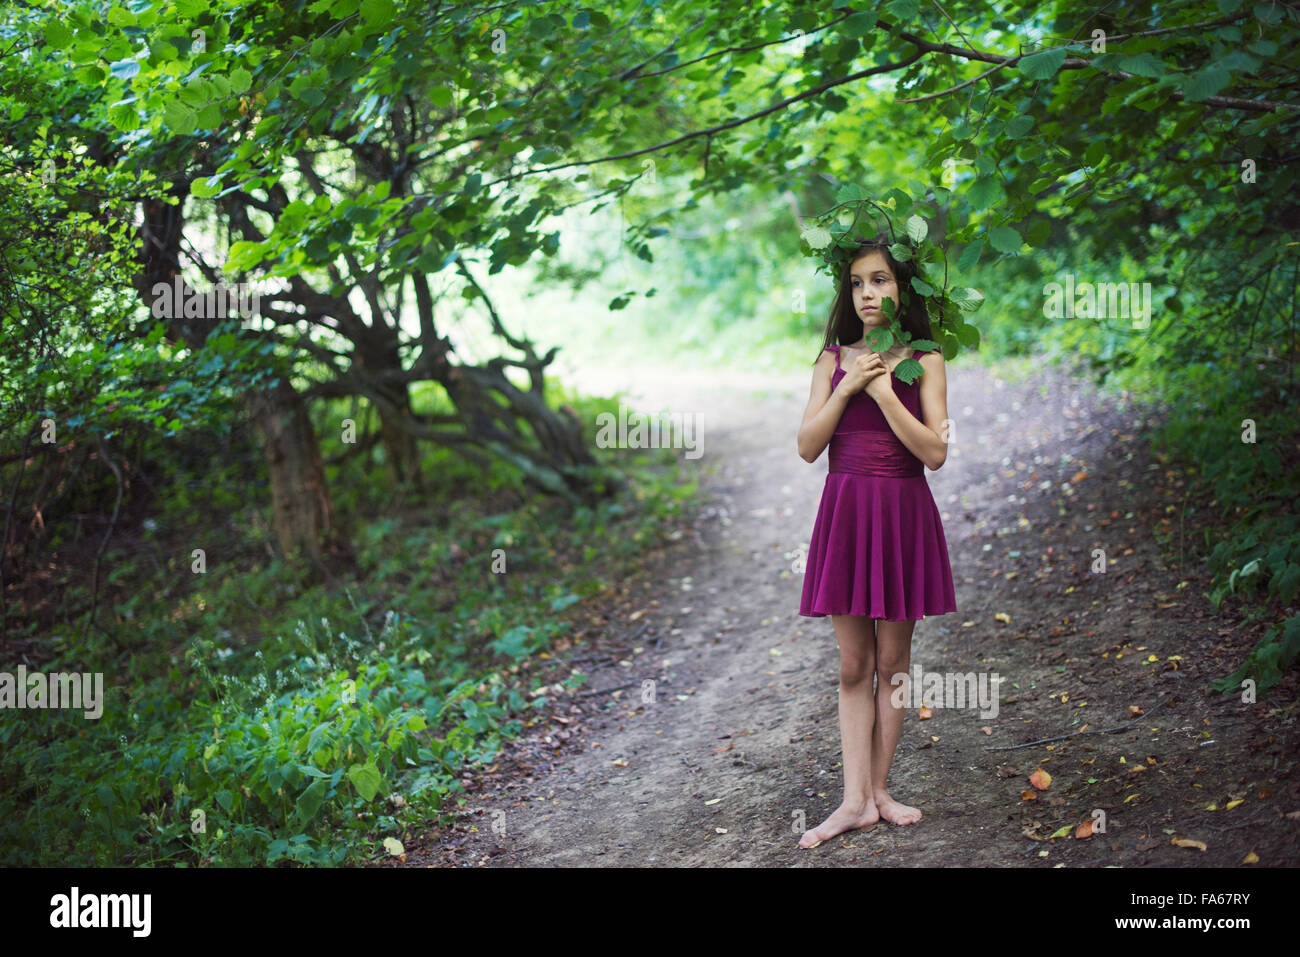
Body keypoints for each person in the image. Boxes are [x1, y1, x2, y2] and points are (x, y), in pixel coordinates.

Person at [794, 236, 958, 848]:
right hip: (847, 509)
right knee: (853, 663)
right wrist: (845, 386)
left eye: (881, 281)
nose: (868, 293)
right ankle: (852, 799)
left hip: (902, 508)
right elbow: (808, 447)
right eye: (859, 282)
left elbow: (936, 453)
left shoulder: (927, 360)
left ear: (903, 289)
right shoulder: (831, 359)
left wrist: (886, 390)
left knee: (893, 662)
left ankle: (880, 793)